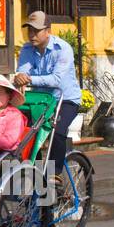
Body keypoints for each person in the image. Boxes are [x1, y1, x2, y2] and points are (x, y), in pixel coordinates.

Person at [13, 11, 82, 175]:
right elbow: (22, 72)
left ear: (48, 31)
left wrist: (28, 79)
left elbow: (56, 80)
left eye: (36, 31)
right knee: (27, 132)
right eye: (29, 30)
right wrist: (20, 77)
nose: (32, 35)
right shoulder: (27, 48)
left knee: (57, 132)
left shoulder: (63, 48)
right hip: (41, 101)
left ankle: (53, 174)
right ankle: (33, 171)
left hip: (65, 100)